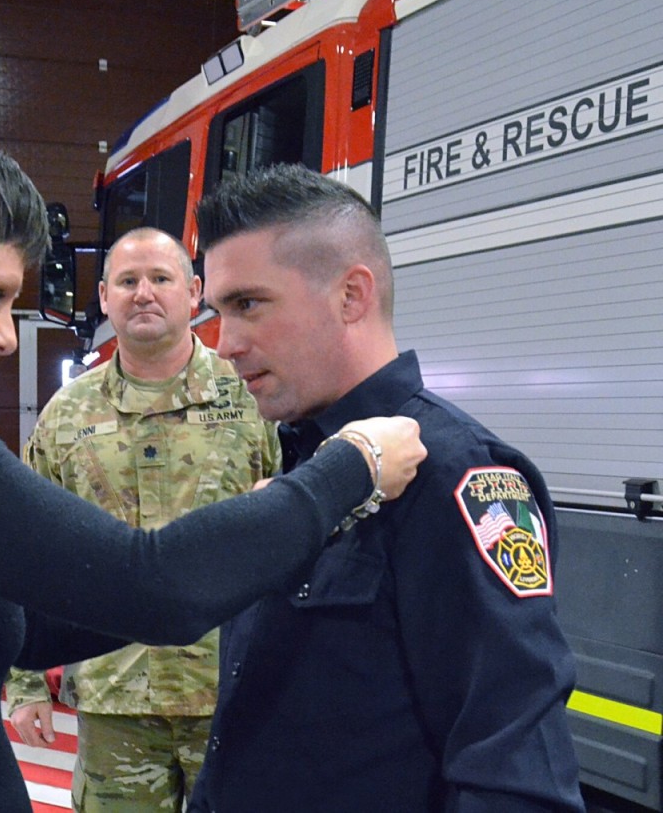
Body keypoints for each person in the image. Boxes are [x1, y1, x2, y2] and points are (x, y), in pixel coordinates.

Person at [0, 108, 425, 812]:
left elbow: (34, 622)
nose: (5, 335)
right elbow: (151, 587)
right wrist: (351, 467)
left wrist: (244, 555)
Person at [192, 162, 584, 811]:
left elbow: (514, 770)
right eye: (217, 312)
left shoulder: (459, 476)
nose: (226, 344)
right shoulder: (302, 459)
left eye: (248, 305)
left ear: (352, 296)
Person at [5, 226, 279, 811]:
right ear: (104, 298)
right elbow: (25, 552)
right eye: (127, 281)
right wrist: (26, 682)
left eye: (160, 278)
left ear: (194, 292)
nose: (143, 293)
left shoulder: (253, 397)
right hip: (115, 701)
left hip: (233, 691)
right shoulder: (66, 415)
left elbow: (300, 528)